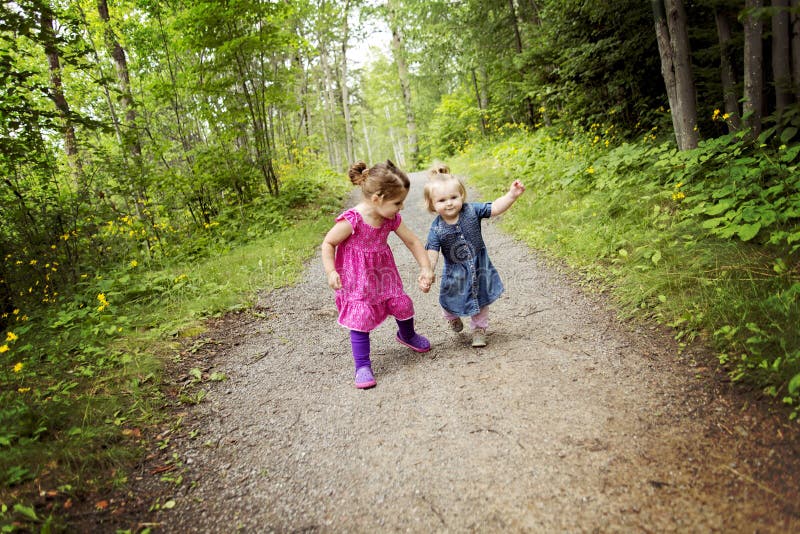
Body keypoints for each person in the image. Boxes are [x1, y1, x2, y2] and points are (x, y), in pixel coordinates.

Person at [322, 160, 435, 389]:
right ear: (377, 199)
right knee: (361, 318)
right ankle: (362, 365)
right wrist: (331, 270)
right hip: (358, 279)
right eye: (397, 202)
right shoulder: (352, 221)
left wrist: (426, 267)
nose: (401, 207)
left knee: (402, 304)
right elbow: (328, 243)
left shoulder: (390, 218)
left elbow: (412, 240)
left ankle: (407, 335)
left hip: (384, 275)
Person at [423, 163, 525, 347]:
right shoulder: (436, 228)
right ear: (432, 204)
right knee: (448, 301)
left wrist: (511, 196)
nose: (449, 203)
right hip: (455, 275)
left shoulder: (472, 211)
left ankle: (479, 329)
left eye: (453, 197)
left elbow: (494, 208)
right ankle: (452, 318)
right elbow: (432, 252)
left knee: (481, 298)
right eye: (442, 200)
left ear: (461, 195)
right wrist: (428, 271)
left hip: (480, 268)